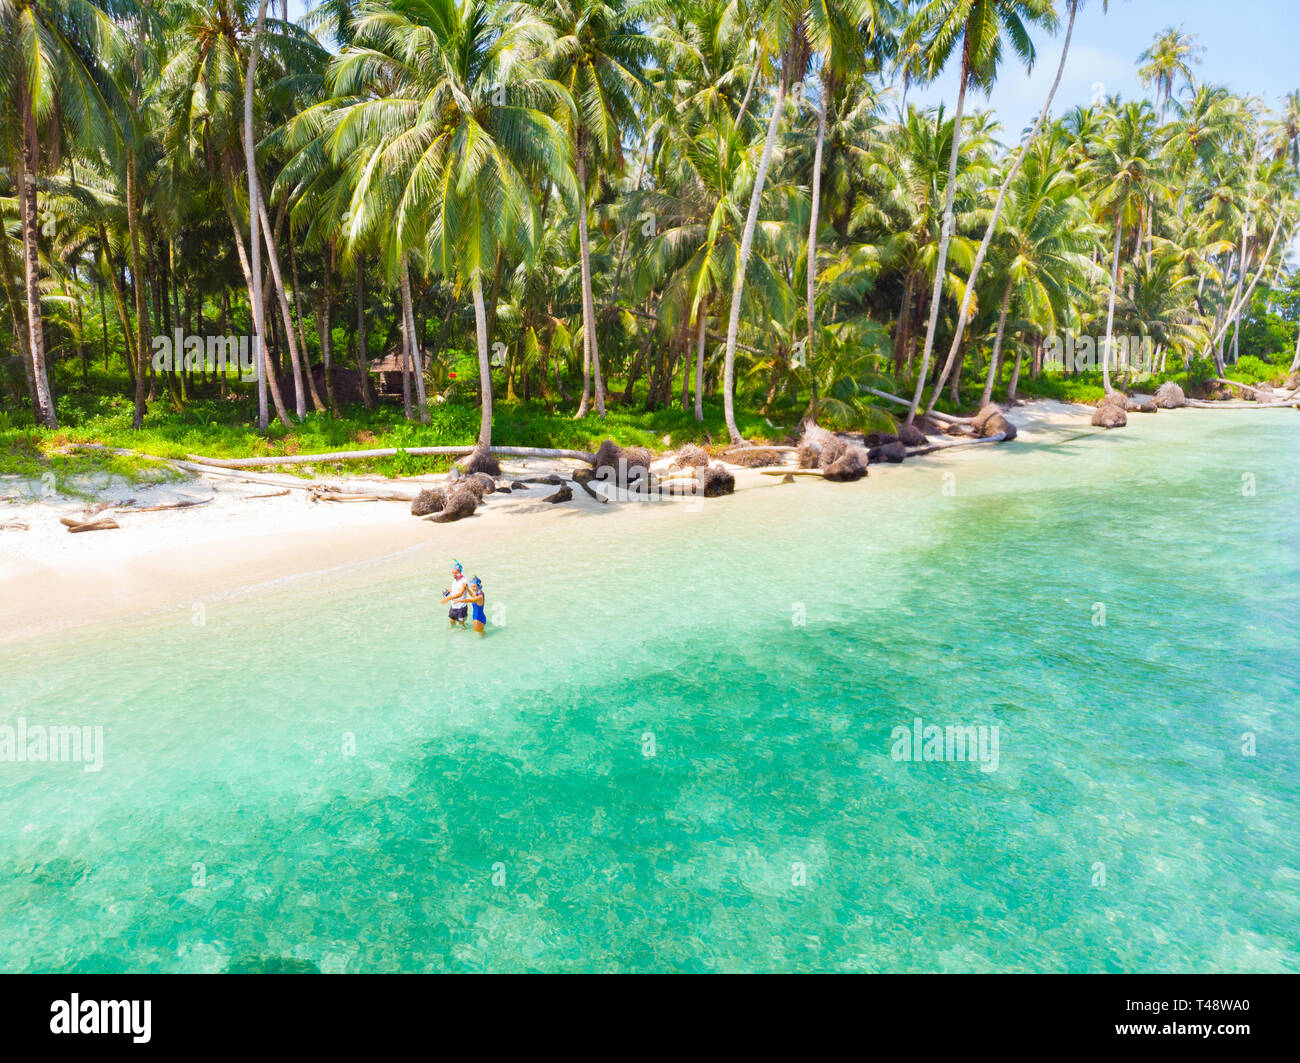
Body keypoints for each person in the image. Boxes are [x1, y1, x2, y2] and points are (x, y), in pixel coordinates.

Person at [440, 560, 469, 628]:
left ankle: (464, 628)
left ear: (460, 572)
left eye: (455, 573)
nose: (454, 575)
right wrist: (450, 590)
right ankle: (452, 630)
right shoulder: (455, 579)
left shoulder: (464, 581)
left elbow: (460, 594)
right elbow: (456, 589)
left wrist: (448, 598)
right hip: (453, 605)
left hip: (461, 607)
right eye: (452, 573)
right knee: (451, 620)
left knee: (461, 623)